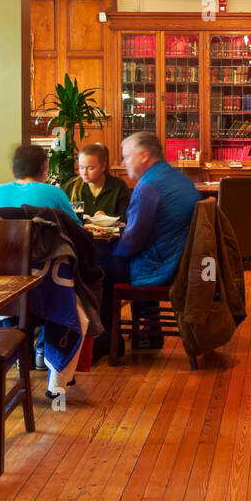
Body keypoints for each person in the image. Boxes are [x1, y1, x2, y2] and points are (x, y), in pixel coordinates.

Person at [91, 131, 198, 359]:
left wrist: (112, 245)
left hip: (161, 266)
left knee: (96, 267)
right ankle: (148, 329)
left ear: (144, 156)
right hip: (178, 259)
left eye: (127, 156)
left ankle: (106, 342)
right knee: (107, 258)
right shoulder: (176, 177)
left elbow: (133, 242)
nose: (122, 163)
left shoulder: (148, 185)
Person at [0, 144, 76, 220]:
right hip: (42, 246)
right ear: (44, 169)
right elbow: (75, 229)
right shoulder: (55, 193)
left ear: (12, 170)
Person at [66, 142, 130, 219]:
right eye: (81, 167)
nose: (84, 173)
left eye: (90, 168)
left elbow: (127, 217)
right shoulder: (72, 186)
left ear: (103, 166)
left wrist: (107, 218)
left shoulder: (119, 187)